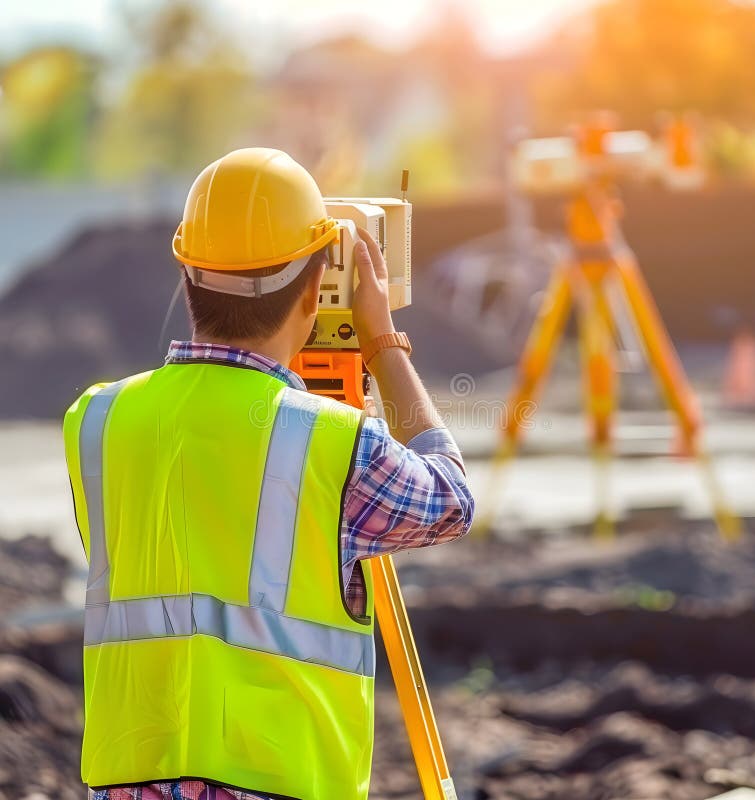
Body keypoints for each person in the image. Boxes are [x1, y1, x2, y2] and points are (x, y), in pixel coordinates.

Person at [63, 148, 474, 800]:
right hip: (282, 783)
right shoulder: (333, 444)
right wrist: (381, 343)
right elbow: (451, 499)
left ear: (187, 274)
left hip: (126, 782)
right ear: (316, 288)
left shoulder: (95, 420)